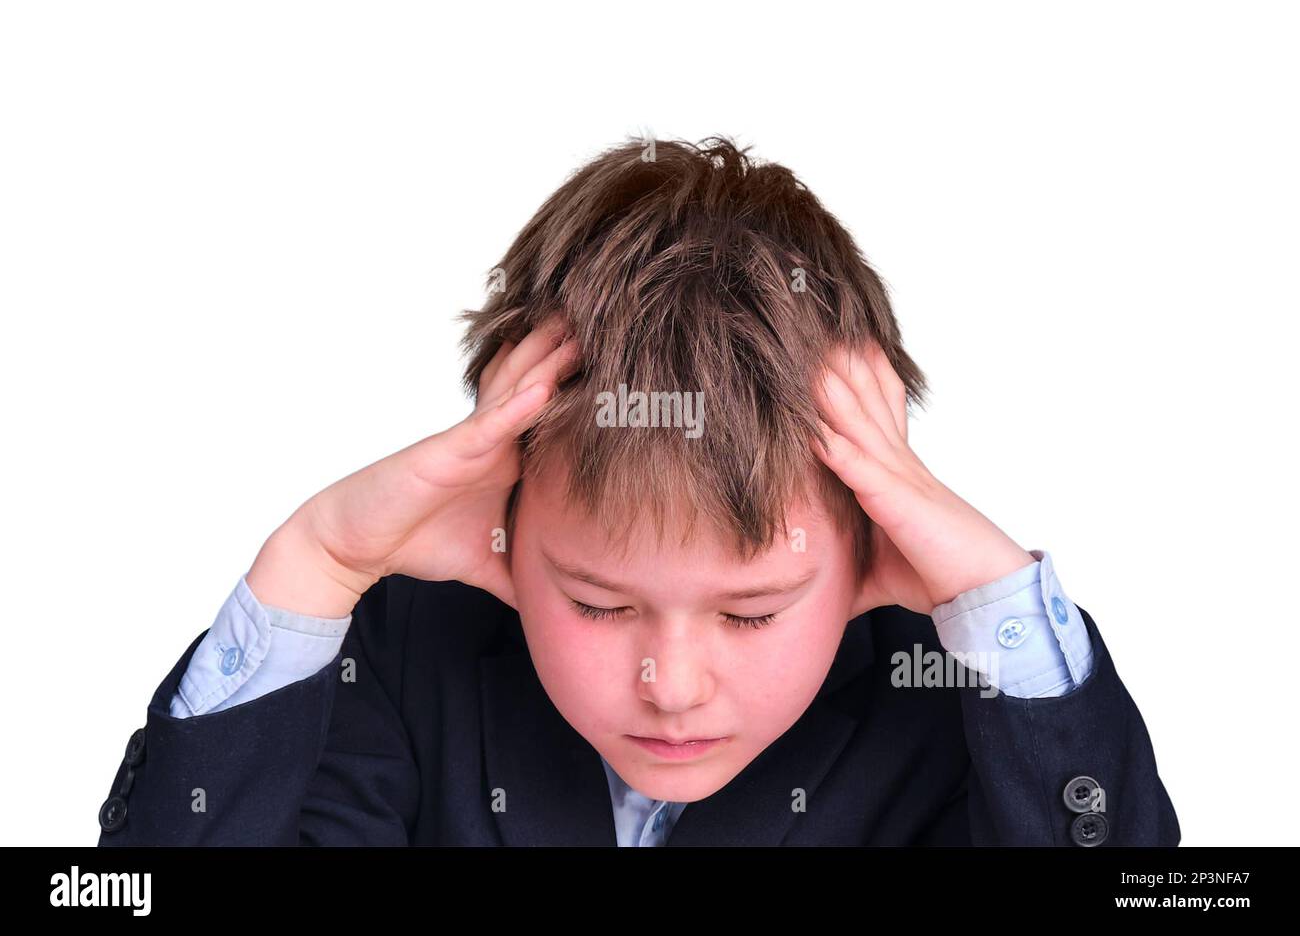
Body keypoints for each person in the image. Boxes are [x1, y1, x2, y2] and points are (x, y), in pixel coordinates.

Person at [96, 136, 1179, 846]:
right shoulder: (391, 656)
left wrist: (994, 605)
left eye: (752, 609)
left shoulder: (959, 706)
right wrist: (315, 562)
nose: (671, 683)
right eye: (600, 603)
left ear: (866, 552)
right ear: (504, 525)